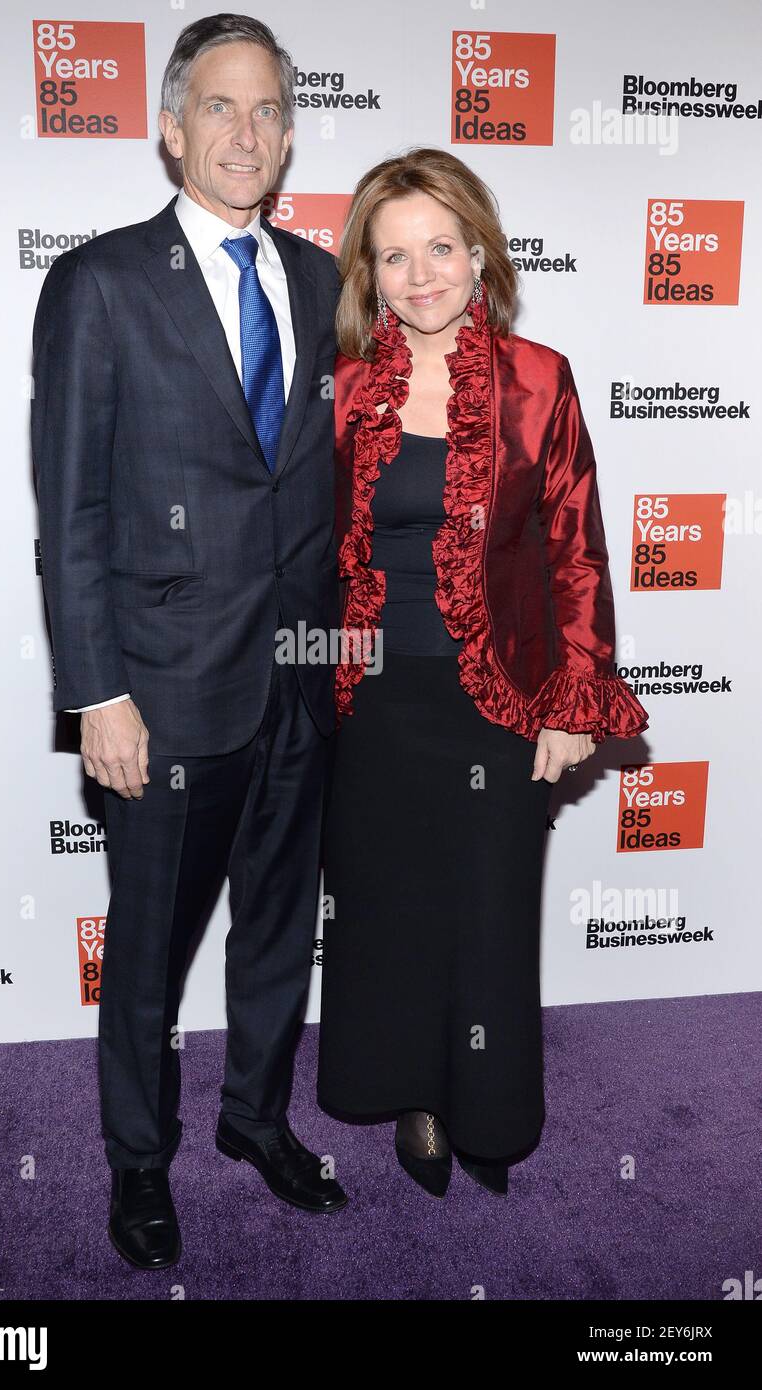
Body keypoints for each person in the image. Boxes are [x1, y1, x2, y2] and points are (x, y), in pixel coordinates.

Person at [31, 14, 347, 1271]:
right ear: (171, 128)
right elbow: (73, 512)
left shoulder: (323, 283)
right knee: (149, 951)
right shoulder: (99, 282)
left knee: (278, 926)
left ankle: (257, 1120)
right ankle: (139, 1162)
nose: (246, 132)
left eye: (268, 109)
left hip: (300, 684)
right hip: (159, 695)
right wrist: (95, 691)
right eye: (220, 107)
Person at [317, 148, 649, 1199]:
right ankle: (414, 1100)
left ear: (478, 254)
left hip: (496, 700)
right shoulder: (341, 390)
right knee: (388, 909)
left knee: (490, 908)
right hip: (370, 701)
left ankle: (486, 1109)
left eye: (440, 248)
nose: (420, 275)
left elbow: (575, 551)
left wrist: (572, 698)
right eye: (394, 256)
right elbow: (304, 556)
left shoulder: (538, 380)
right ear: (368, 273)